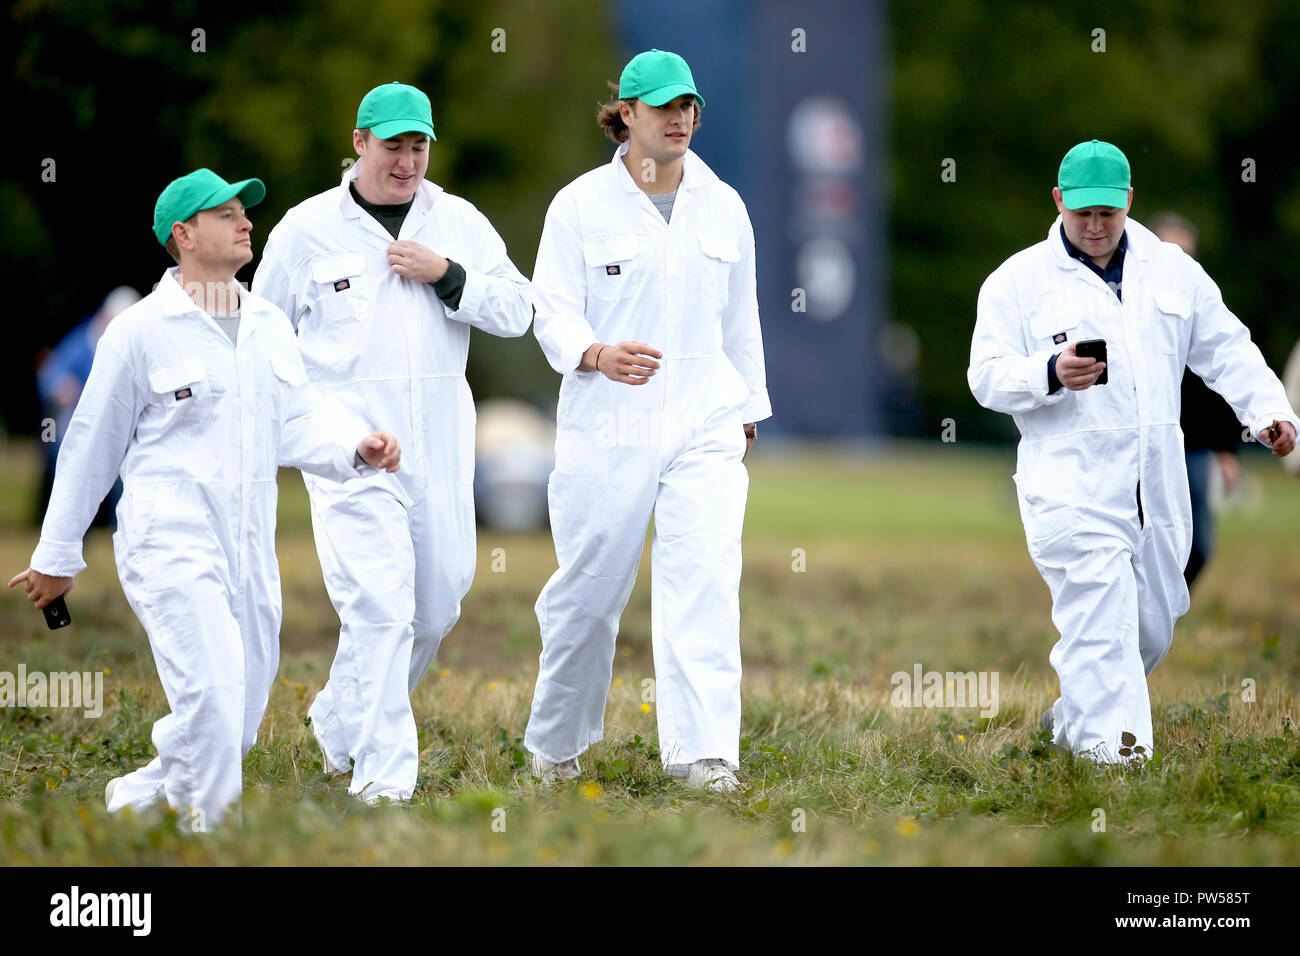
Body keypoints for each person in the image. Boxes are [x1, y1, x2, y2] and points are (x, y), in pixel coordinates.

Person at [8, 169, 401, 826]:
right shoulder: (138, 331)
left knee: (236, 714)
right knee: (214, 694)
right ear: (183, 235)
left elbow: (296, 419)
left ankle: (138, 805)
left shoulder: (271, 324)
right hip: (170, 538)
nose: (245, 222)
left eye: (245, 212)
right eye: (226, 214)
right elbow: (91, 442)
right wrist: (58, 553)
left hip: (249, 542)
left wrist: (353, 447)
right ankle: (212, 835)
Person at [968, 140, 1298, 763]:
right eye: (1081, 214)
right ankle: (1116, 758)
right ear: (1059, 202)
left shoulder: (1172, 271)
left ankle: (1071, 721)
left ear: (1129, 203)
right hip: (1070, 484)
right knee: (1100, 617)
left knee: (1152, 620)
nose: (1094, 228)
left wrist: (1269, 413)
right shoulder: (1017, 282)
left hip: (1160, 485)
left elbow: (1226, 346)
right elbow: (984, 377)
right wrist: (1048, 373)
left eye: (1107, 215)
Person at [253, 82, 533, 804]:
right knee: (381, 605)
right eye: (393, 146)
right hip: (349, 450)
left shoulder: (458, 220)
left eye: (419, 146)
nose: (407, 160)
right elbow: (265, 338)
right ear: (359, 143)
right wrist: (297, 435)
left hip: (440, 445)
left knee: (436, 606)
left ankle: (340, 721)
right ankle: (383, 779)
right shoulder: (305, 229)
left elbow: (517, 310)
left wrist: (449, 276)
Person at [523, 50, 770, 792]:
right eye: (663, 107)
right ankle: (555, 744)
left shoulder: (723, 203)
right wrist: (595, 353)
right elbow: (551, 310)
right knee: (590, 593)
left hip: (706, 424)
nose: (680, 118)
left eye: (688, 105)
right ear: (625, 114)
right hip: (608, 426)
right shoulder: (578, 206)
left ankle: (704, 755)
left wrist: (748, 410)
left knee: (703, 582)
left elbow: (742, 318)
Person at [1146, 212, 1242, 588]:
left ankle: (1164, 610)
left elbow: (1222, 378)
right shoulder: (1128, 307)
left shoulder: (1205, 306)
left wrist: (1228, 449)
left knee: (1198, 545)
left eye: (1186, 254)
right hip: (1143, 442)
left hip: (1194, 448)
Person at [36, 285, 141, 524]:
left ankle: (121, 525)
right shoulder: (84, 340)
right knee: (56, 442)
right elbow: (50, 373)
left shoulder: (138, 345)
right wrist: (60, 386)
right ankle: (65, 523)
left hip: (121, 423)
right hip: (75, 419)